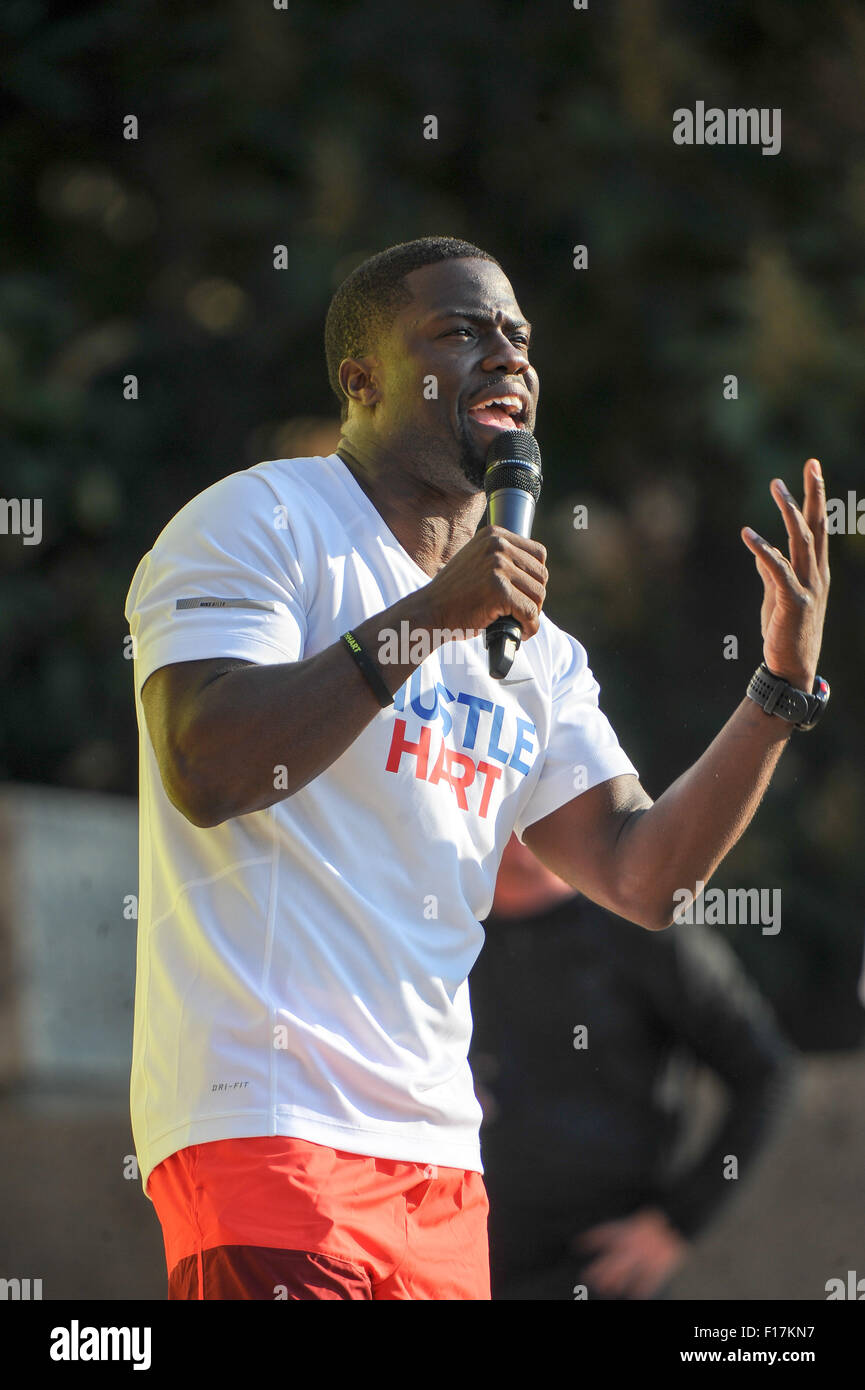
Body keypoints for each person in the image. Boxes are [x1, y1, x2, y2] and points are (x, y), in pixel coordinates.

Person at [124, 235, 830, 1300]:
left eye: (517, 336)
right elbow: (210, 765)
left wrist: (775, 694)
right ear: (360, 380)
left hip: (443, 1167)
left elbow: (645, 879)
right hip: (267, 1125)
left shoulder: (536, 650)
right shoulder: (261, 523)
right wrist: (432, 617)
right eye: (459, 331)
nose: (505, 354)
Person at [470, 834, 797, 1300]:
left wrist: (678, 1223)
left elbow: (767, 1073)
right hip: (463, 1264)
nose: (520, 820)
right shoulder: (437, 934)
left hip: (600, 1274)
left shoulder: (638, 928)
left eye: (535, 793)